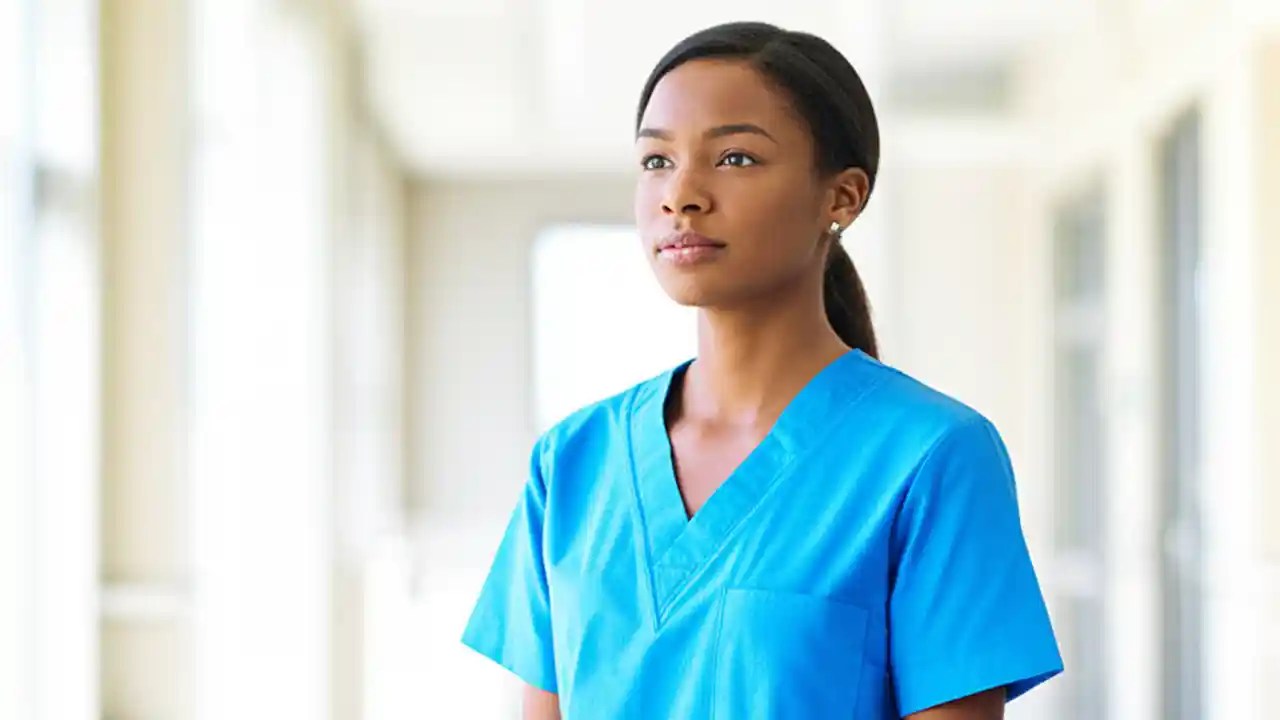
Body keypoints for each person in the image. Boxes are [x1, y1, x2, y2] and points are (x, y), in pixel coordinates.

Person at [462, 21, 1063, 719]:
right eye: (656, 161)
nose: (680, 194)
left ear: (841, 197)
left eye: (736, 158)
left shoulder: (932, 457)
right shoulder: (571, 463)